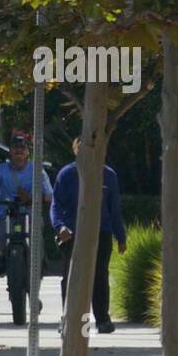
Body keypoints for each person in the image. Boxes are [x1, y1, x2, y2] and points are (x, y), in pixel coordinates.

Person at [50, 138, 127, 334]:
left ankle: (102, 319)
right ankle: (71, 320)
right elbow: (56, 205)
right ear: (75, 150)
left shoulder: (108, 175)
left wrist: (121, 236)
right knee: (71, 277)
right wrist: (60, 227)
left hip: (101, 232)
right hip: (72, 232)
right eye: (81, 147)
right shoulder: (67, 174)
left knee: (99, 275)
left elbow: (115, 209)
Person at [0, 132, 53, 277]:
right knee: (0, 236)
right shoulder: (1, 169)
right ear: (10, 151)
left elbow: (47, 189)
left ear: (28, 151)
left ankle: (40, 261)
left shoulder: (37, 169)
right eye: (15, 148)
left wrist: (46, 196)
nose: (19, 151)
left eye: (22, 148)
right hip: (6, 212)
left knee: (37, 232)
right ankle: (2, 258)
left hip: (30, 211)